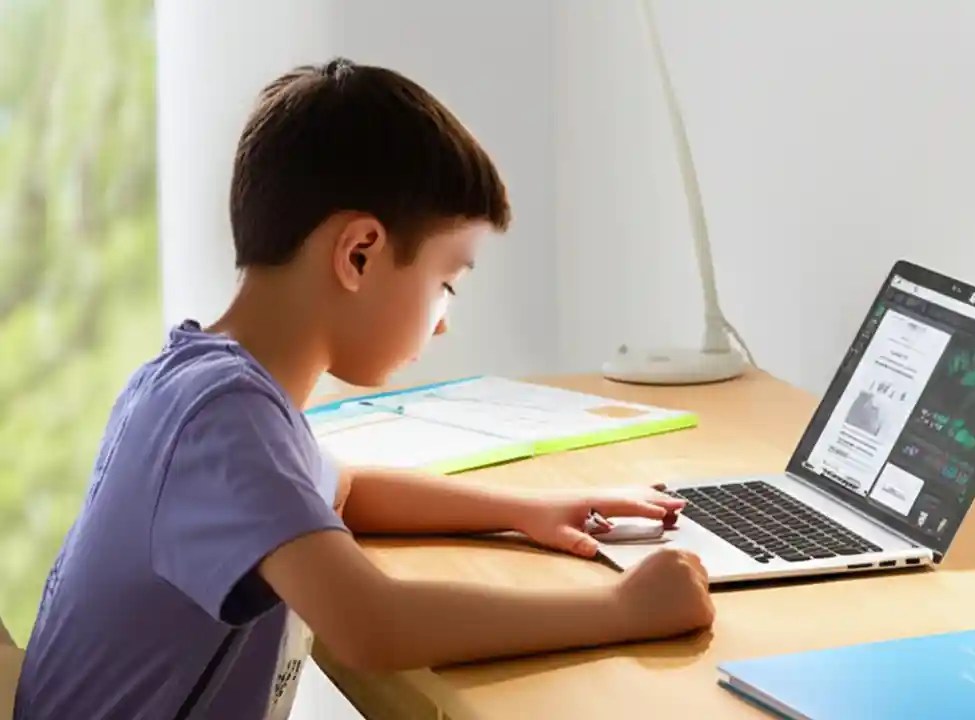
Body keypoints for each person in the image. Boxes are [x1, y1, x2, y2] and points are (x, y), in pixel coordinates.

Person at [15, 58, 714, 719]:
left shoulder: (196, 382)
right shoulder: (223, 416)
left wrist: (529, 511)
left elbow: (341, 493)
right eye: (445, 285)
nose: (441, 326)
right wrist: (624, 609)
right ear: (359, 254)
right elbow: (371, 626)